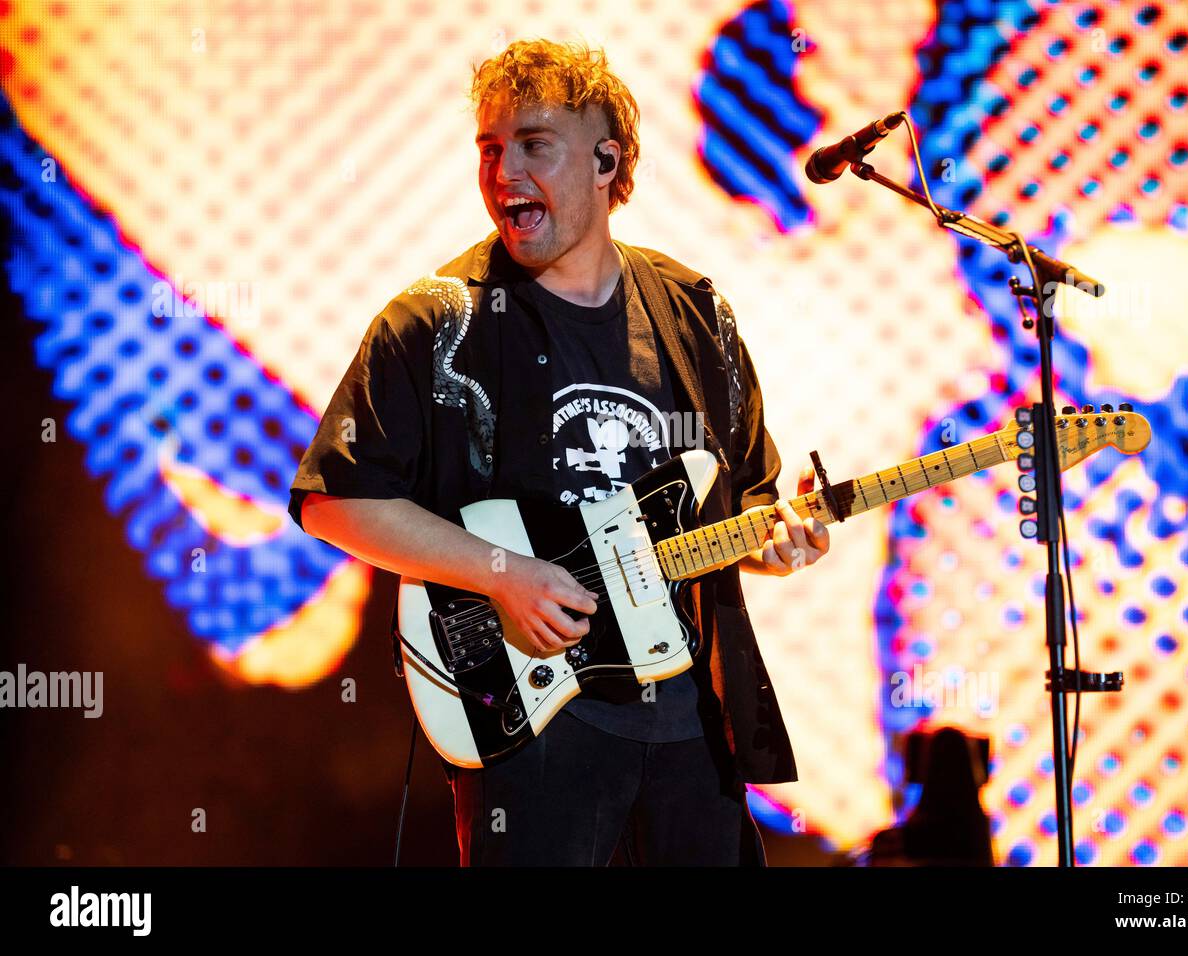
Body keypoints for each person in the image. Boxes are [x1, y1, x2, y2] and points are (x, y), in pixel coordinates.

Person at [288, 38, 829, 866]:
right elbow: (335, 500)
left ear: (608, 160)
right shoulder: (437, 323)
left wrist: (782, 541)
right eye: (490, 149)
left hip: (688, 726)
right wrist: (504, 574)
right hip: (536, 724)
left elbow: (751, 501)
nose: (504, 172)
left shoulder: (694, 315)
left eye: (534, 145)